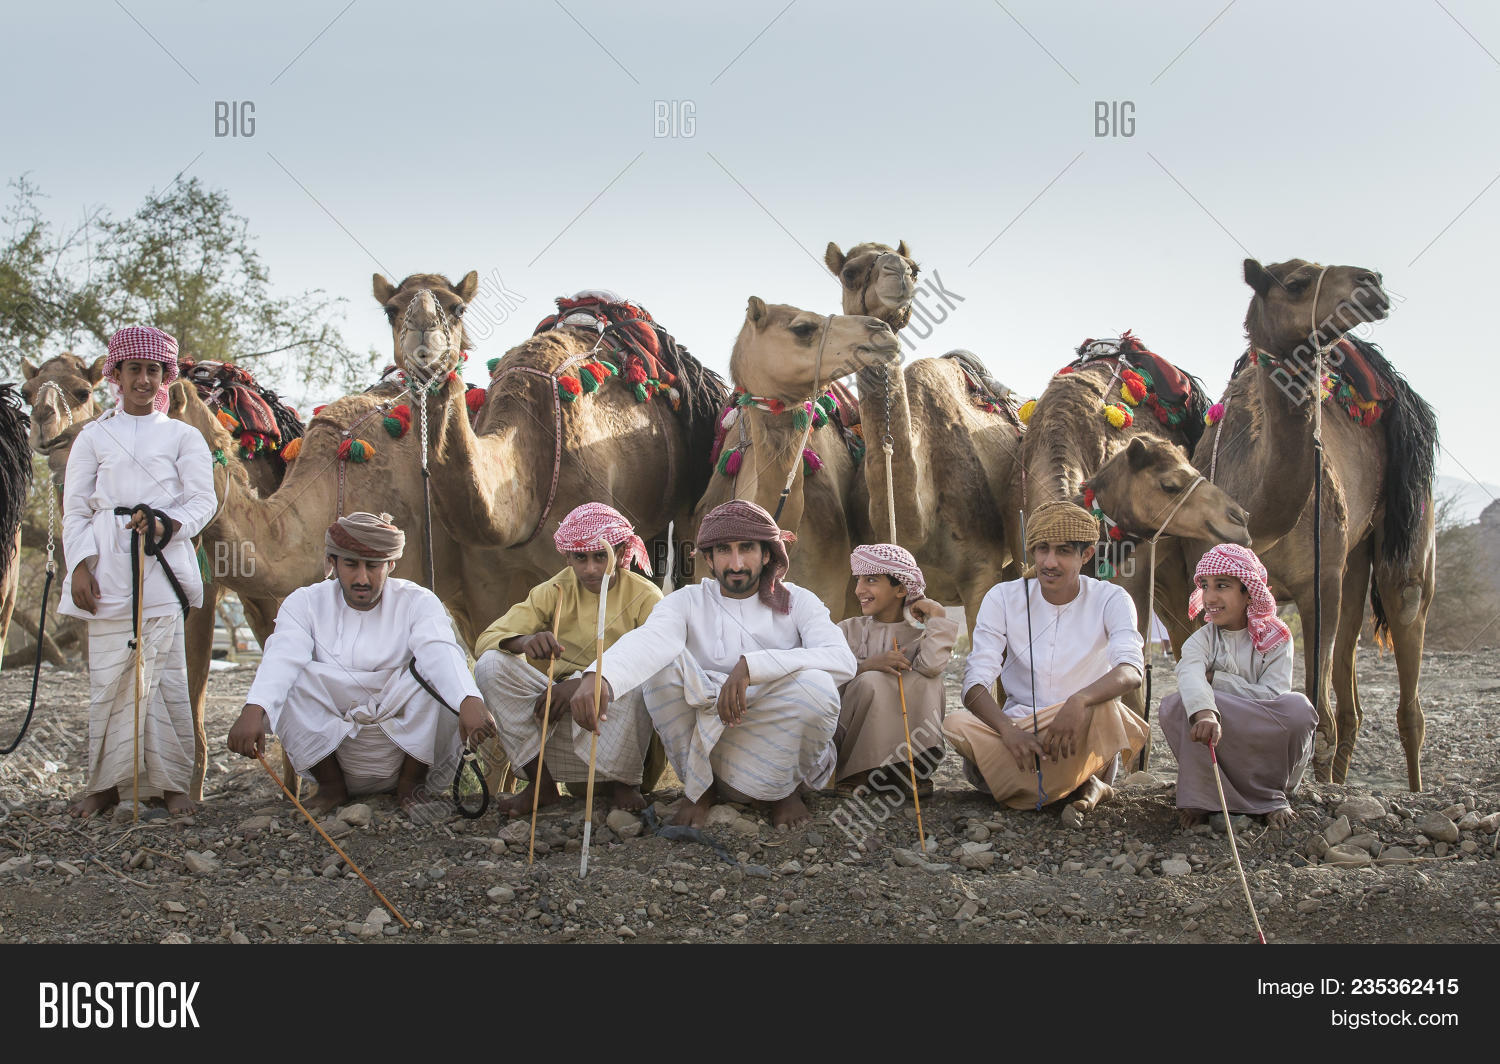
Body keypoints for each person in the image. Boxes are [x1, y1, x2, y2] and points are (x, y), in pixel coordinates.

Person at [569, 500, 856, 829]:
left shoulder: (797, 600)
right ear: (708, 558)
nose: (736, 563)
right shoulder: (686, 601)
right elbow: (651, 639)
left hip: (775, 745)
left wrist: (753, 667)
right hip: (709, 754)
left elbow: (841, 659)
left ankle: (783, 792)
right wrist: (600, 676)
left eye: (746, 548)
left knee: (818, 687)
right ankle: (700, 791)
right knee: (662, 669)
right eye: (723, 550)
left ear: (767, 555)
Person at [226, 512, 494, 814]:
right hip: (333, 748)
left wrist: (469, 699)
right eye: (351, 564)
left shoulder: (418, 601)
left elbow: (439, 651)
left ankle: (410, 787)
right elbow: (282, 656)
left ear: (390, 565)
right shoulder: (304, 602)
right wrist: (254, 708)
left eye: (373, 565)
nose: (362, 578)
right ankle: (331, 788)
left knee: (435, 675)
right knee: (291, 677)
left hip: (404, 747)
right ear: (333, 563)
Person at [62, 326, 216, 818]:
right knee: (109, 680)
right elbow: (75, 509)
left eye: (153, 370)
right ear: (117, 373)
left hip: (162, 562)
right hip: (106, 565)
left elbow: (203, 500)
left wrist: (168, 524)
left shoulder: (183, 435)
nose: (144, 380)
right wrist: (79, 566)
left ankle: (172, 787)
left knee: (166, 680)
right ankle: (106, 785)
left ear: (164, 376)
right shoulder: (93, 435)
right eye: (135, 369)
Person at [944, 500, 1147, 827]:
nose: (1049, 562)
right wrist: (1009, 731)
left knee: (1108, 710)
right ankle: (1080, 788)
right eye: (1042, 549)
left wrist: (1079, 701)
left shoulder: (1111, 598)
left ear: (1086, 554)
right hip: (1019, 734)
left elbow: (1131, 670)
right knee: (955, 723)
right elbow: (974, 683)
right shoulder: (1003, 597)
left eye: (1063, 551)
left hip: (1080, 731)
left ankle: (1028, 789)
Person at [472, 503, 662, 814]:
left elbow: (655, 655)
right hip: (560, 710)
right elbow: (486, 640)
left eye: (600, 556)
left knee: (645, 680)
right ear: (568, 557)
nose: (591, 569)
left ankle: (625, 783)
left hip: (616, 716)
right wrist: (525, 641)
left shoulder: (646, 596)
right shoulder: (555, 589)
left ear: (620, 553)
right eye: (581, 558)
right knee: (490, 665)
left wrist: (583, 684)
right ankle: (542, 785)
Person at [1158, 543, 1317, 830]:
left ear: (1248, 592)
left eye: (1222, 586)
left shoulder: (1277, 638)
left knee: (1298, 709)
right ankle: (1205, 799)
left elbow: (1272, 697)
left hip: (1261, 735)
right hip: (1220, 732)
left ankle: (1271, 796)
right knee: (1177, 705)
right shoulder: (1201, 640)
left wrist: (1217, 681)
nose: (1210, 597)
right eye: (1205, 586)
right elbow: (1190, 675)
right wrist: (1206, 713)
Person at [835, 544, 958, 794]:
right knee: (870, 681)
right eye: (858, 580)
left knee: (929, 680)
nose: (859, 590)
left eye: (871, 580)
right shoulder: (847, 630)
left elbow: (933, 666)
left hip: (908, 757)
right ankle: (858, 771)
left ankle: (907, 769)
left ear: (901, 589)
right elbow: (827, 676)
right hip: (851, 750)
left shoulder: (919, 636)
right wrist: (867, 666)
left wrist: (937, 614)